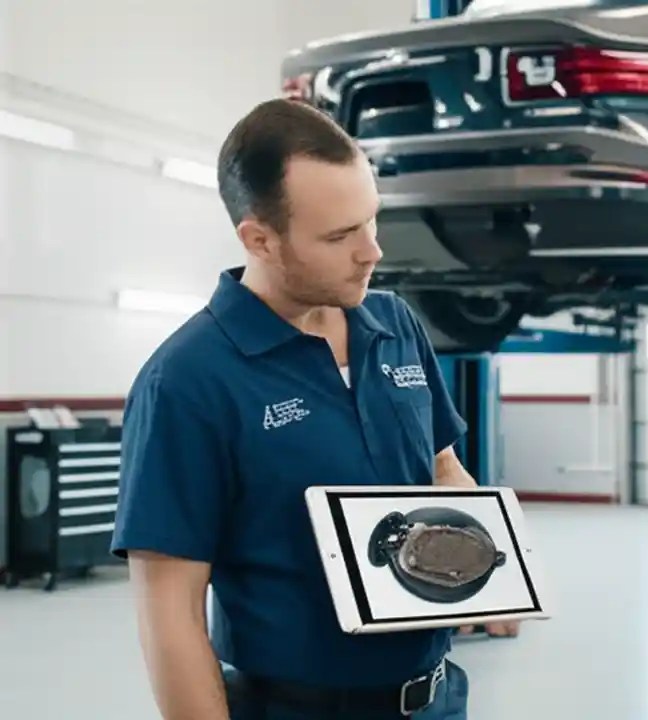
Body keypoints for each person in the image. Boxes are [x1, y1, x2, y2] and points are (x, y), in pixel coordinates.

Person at [110, 98, 515, 720]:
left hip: (435, 700)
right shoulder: (188, 382)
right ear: (260, 239)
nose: (371, 252)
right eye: (339, 236)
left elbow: (442, 470)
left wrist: (484, 565)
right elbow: (168, 614)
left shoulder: (395, 324)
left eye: (371, 222)